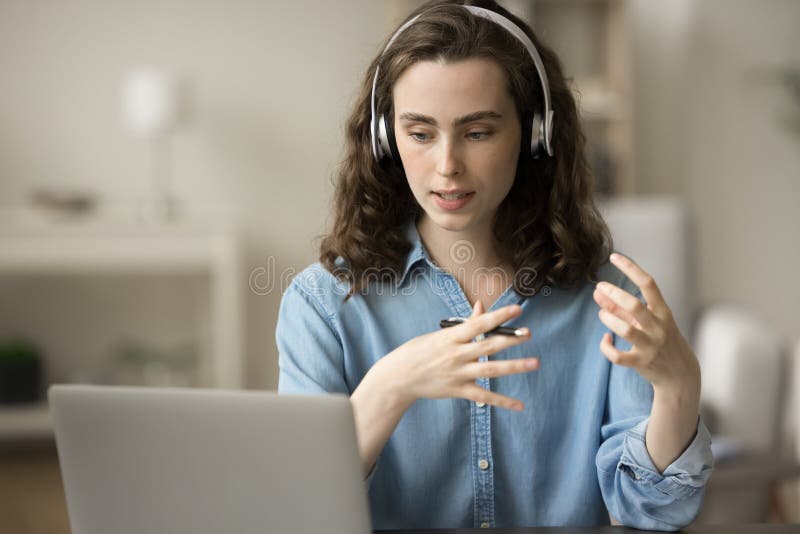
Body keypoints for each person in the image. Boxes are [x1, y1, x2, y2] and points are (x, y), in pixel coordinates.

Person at [276, 0, 713, 530]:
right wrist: (391, 386)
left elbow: (654, 515)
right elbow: (298, 515)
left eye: (478, 132)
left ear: (535, 136)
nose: (447, 165)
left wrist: (679, 388)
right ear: (385, 139)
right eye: (420, 133)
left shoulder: (610, 298)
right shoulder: (321, 304)